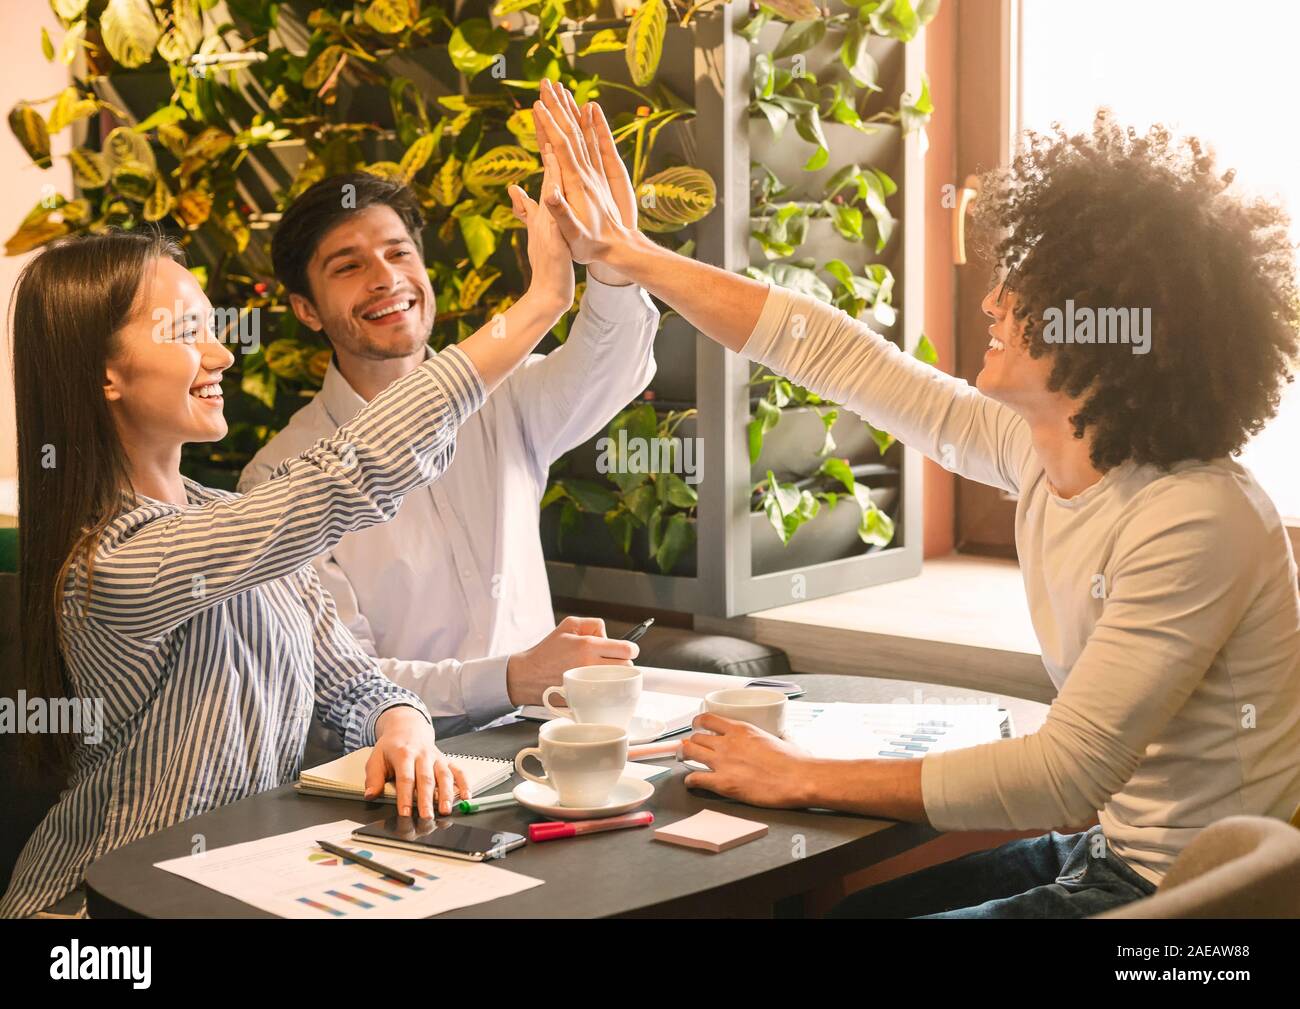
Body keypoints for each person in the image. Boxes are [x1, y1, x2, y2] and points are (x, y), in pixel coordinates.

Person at [532, 78, 1300, 917]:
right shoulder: (1048, 454)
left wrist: (799, 778)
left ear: (1106, 326)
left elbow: (1063, 773)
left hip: (1185, 900)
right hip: (1108, 853)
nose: (992, 301)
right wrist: (632, 256)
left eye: (1029, 287)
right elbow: (835, 354)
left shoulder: (1195, 514)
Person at [0, 156, 576, 918]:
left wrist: (400, 723)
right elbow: (345, 478)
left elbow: (349, 679)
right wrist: (538, 305)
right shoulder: (114, 561)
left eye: (212, 329)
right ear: (104, 374)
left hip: (231, 887)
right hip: (94, 914)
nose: (220, 354)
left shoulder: (220, 514)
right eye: (185, 333)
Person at [238, 171, 655, 753]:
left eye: (398, 252)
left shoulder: (505, 397)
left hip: (552, 746)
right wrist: (512, 678)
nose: (386, 279)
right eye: (348, 266)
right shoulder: (278, 477)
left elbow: (614, 362)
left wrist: (605, 251)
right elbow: (344, 682)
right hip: (401, 771)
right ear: (306, 310)